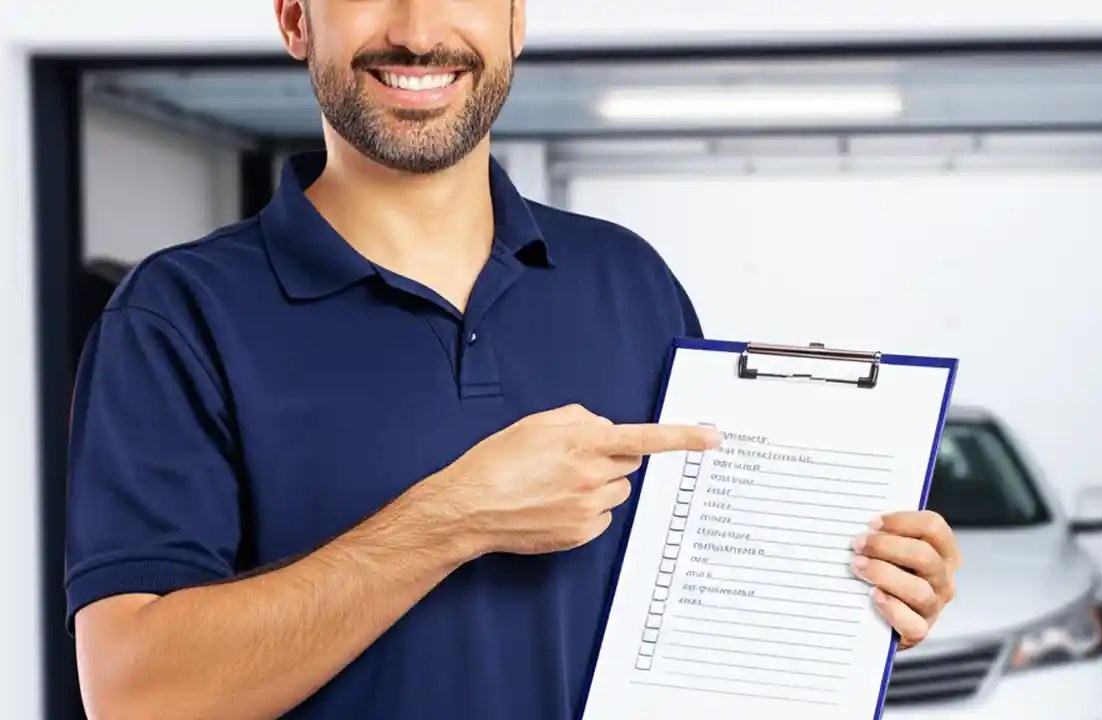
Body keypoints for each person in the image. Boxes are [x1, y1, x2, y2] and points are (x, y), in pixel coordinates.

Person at [65, 1, 962, 718]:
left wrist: (858, 594)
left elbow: (695, 598)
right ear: (295, 18)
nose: (418, 31)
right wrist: (451, 520)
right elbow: (138, 695)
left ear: (516, 19)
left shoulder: (629, 279)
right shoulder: (178, 315)